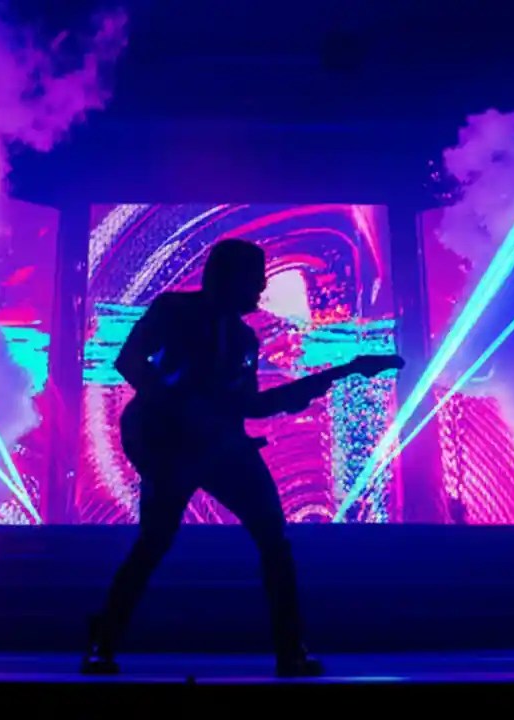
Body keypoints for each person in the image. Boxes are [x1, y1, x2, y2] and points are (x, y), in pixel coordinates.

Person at [81, 239, 403, 678]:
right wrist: (181, 407)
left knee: (272, 539)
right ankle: (103, 642)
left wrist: (339, 373)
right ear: (228, 277)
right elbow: (130, 362)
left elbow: (248, 407)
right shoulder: (173, 310)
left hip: (217, 446)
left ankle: (291, 652)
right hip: (169, 442)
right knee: (154, 543)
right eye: (255, 277)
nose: (262, 286)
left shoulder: (242, 338)